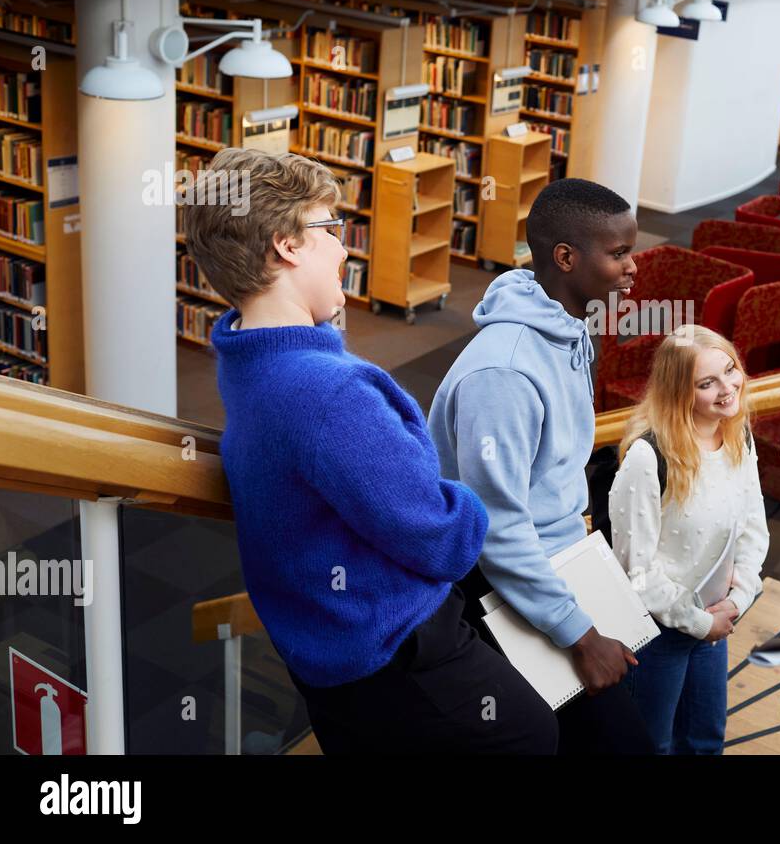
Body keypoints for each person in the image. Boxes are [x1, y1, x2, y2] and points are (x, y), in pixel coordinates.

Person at [185, 148, 557, 755]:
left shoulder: (245, 360)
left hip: (327, 657)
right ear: (287, 244)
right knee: (531, 733)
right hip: (396, 648)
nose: (344, 248)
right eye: (330, 229)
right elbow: (443, 538)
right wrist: (468, 500)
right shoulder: (330, 392)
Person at [428, 178, 654, 755]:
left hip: (562, 559)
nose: (634, 268)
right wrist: (577, 633)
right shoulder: (502, 375)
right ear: (565, 257)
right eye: (620, 253)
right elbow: (496, 527)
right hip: (506, 584)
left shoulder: (570, 327)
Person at [608, 325, 770, 754]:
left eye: (730, 371)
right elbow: (636, 573)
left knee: (704, 740)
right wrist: (701, 622)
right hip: (659, 632)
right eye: (706, 383)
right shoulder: (649, 458)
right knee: (652, 745)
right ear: (680, 391)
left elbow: (753, 526)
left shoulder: (739, 434)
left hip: (716, 621)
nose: (727, 389)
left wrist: (738, 600)